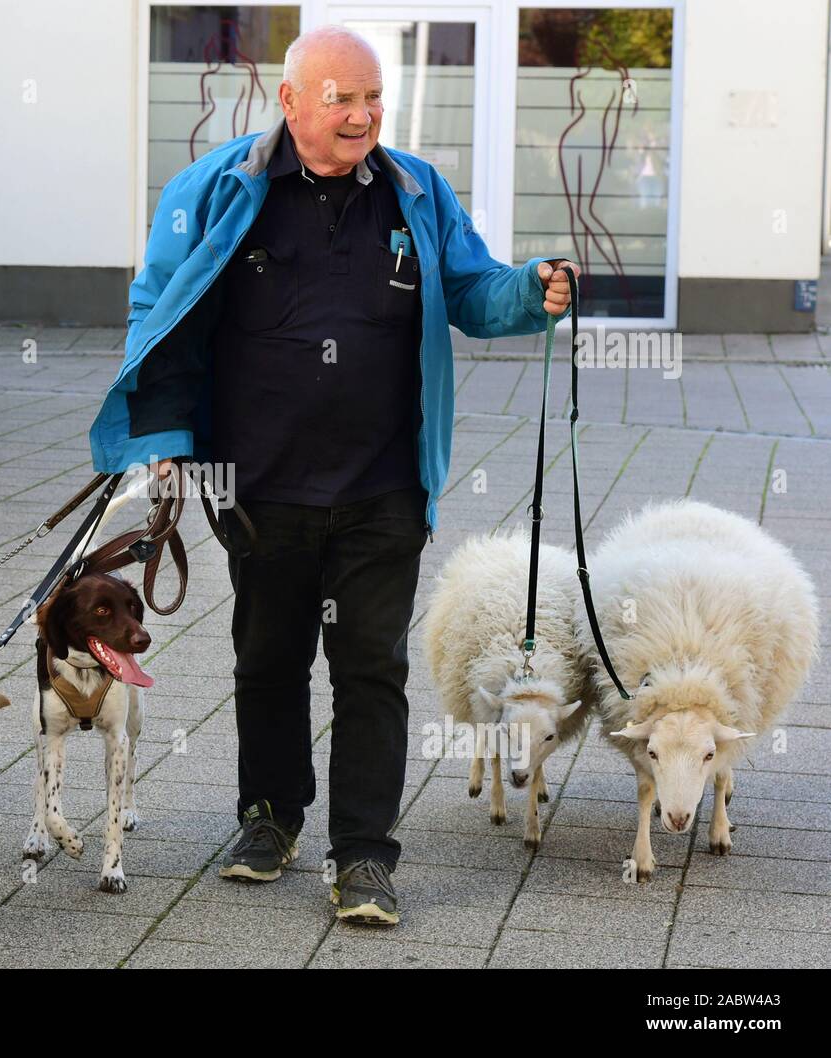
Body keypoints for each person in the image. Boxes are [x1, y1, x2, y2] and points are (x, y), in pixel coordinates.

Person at [88, 25, 577, 925]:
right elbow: (158, 304)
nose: (362, 116)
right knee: (267, 659)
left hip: (385, 484)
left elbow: (473, 289)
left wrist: (531, 290)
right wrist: (160, 437)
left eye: (372, 97)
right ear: (290, 101)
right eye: (340, 99)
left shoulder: (415, 190)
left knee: (370, 669)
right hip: (256, 483)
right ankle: (270, 817)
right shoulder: (216, 190)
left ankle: (363, 856)